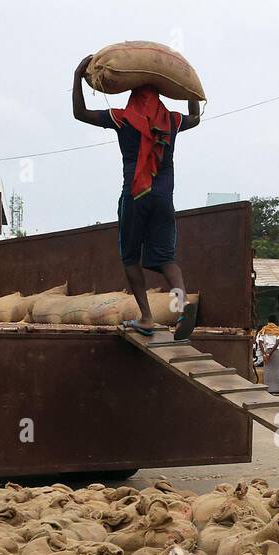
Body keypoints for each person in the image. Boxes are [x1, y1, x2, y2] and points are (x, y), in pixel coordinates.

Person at [73, 54, 201, 340]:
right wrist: (189, 90)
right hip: (164, 200)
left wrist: (77, 76)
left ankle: (145, 316)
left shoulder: (122, 118)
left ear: (133, 98)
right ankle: (182, 306)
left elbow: (80, 113)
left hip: (135, 195)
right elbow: (196, 117)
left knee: (130, 257)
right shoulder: (172, 121)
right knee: (167, 259)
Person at [258, 323, 279, 395]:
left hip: (267, 351)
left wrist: (265, 354)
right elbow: (277, 343)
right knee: (278, 371)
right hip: (275, 352)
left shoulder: (264, 331)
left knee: (268, 370)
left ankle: (269, 389)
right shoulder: (277, 331)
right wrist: (270, 353)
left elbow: (260, 343)